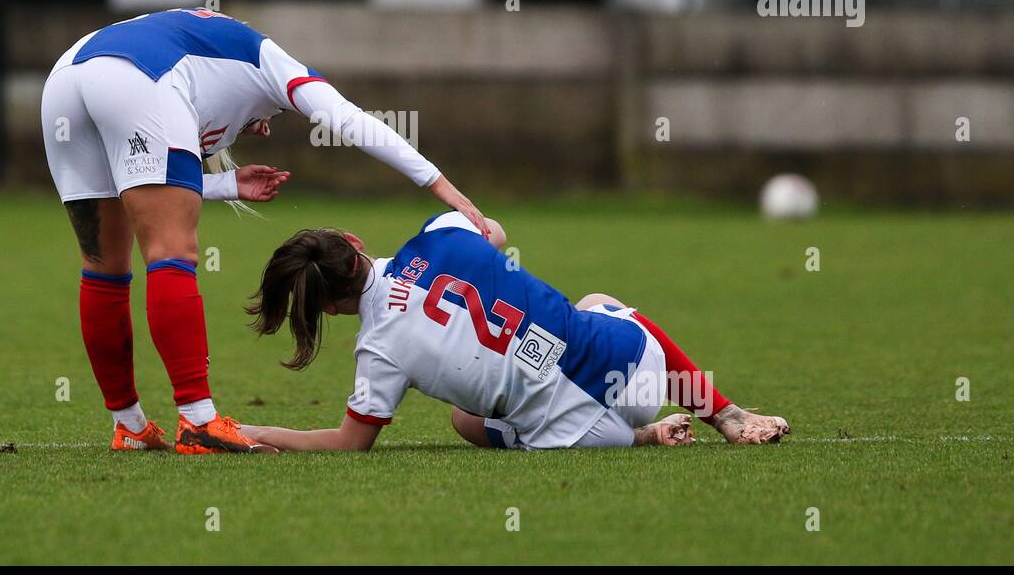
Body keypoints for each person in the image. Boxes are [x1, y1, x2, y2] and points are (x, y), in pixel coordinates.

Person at [40, 8, 487, 454]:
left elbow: (143, 182)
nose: (259, 130)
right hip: (138, 80)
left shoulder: (206, 51)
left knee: (104, 266)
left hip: (66, 78)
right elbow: (350, 120)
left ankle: (129, 425)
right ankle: (199, 422)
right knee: (171, 252)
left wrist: (230, 183)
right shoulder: (275, 65)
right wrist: (441, 186)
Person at [241, 211, 790, 451]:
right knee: (596, 302)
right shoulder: (439, 234)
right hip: (638, 379)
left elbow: (347, 444)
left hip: (575, 440)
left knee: (463, 418)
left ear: (329, 310)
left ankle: (643, 439)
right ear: (353, 241)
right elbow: (496, 231)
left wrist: (258, 432)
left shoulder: (377, 351)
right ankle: (726, 414)